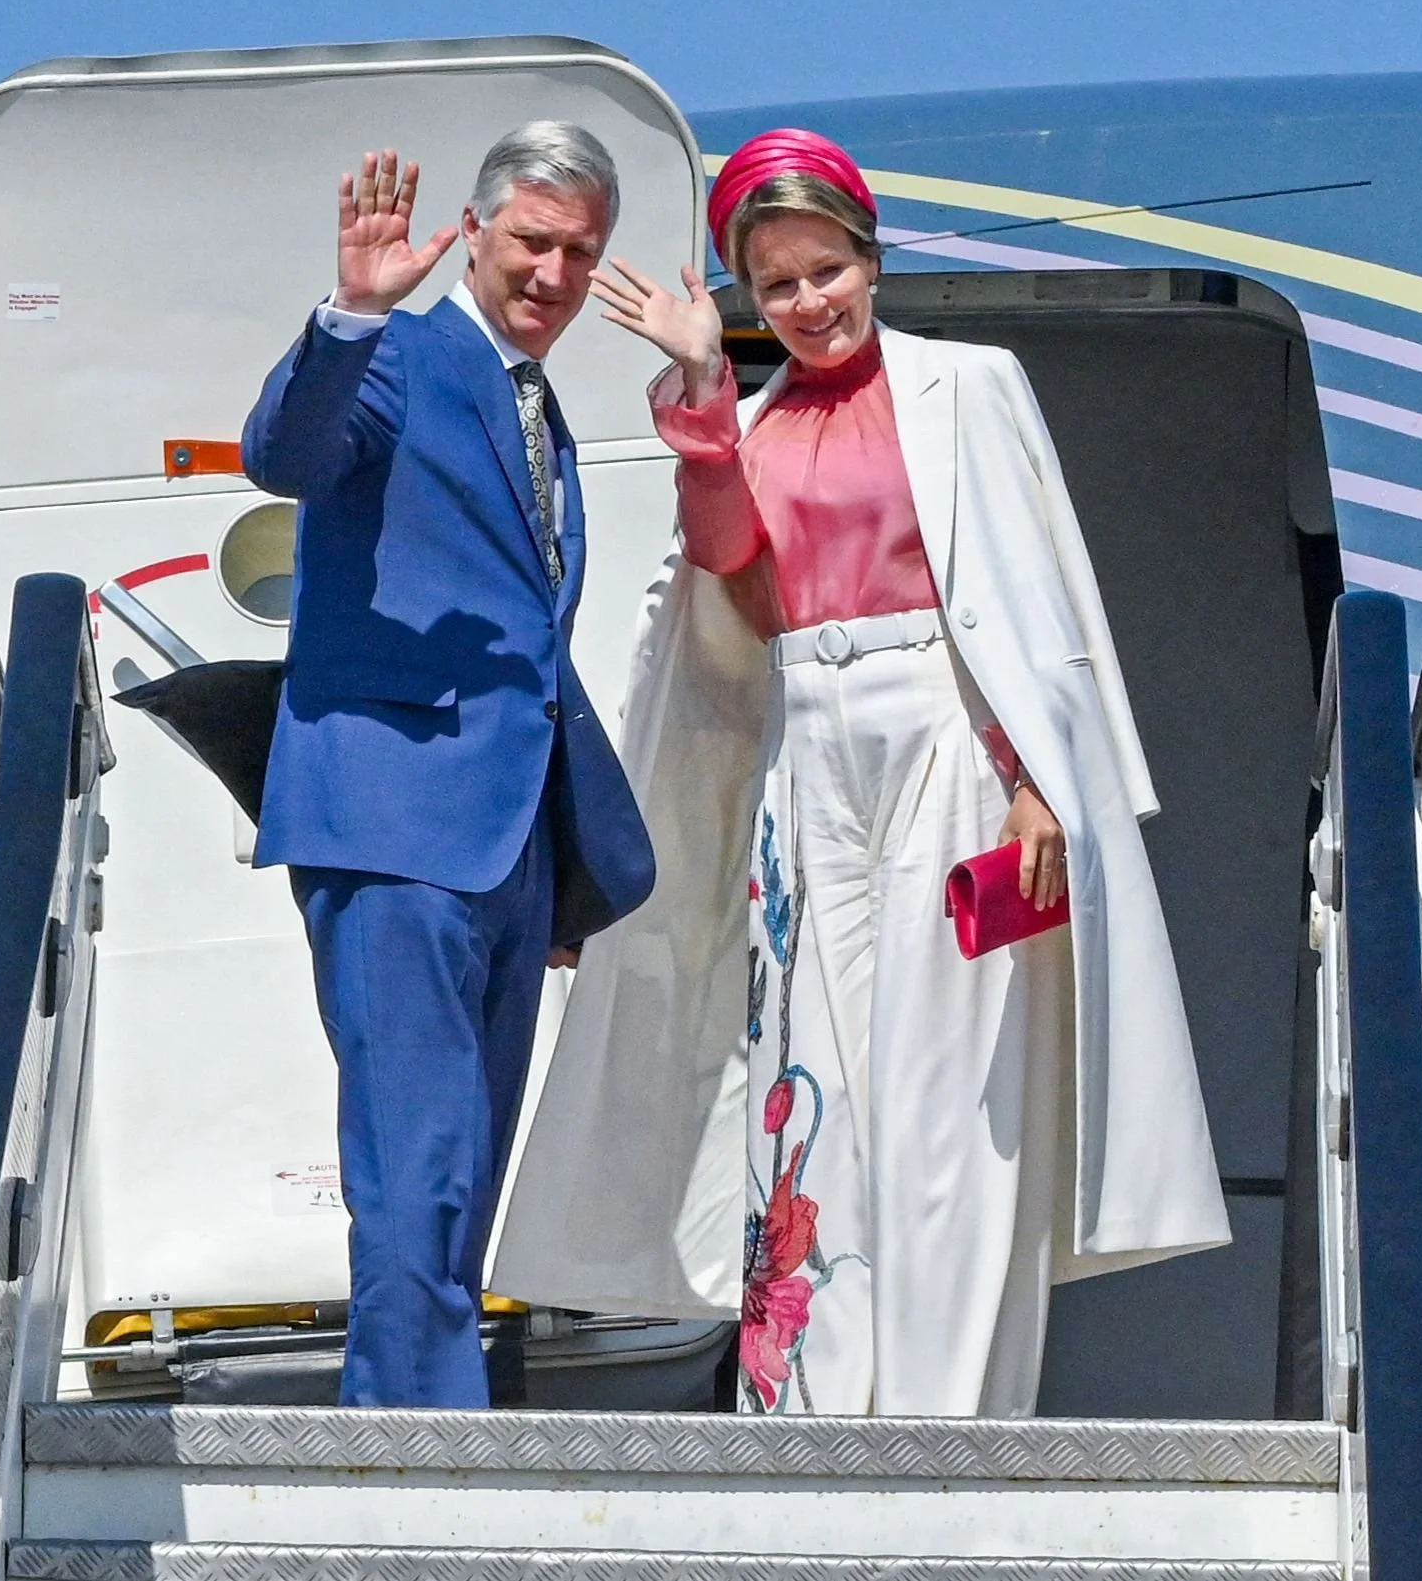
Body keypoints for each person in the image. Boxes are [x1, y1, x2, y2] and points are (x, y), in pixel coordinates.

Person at [491, 130, 1226, 1417]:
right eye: (776, 287)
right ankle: (821, 1409)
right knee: (810, 1079)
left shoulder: (970, 384)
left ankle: (949, 1416)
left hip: (945, 734)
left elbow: (1036, 600)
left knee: (952, 1091)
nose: (809, 304)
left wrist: (1042, 777)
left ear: (871, 258)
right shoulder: (753, 421)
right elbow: (731, 569)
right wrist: (703, 391)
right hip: (803, 746)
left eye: (826, 270)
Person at [241, 124, 656, 1408]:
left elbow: (525, 632)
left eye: (578, 252)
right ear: (473, 234)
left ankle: (423, 1427)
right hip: (390, 819)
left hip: (501, 843)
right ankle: (412, 1456)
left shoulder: (539, 404)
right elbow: (287, 456)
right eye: (533, 241)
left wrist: (558, 853)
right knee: (413, 1162)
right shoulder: (403, 357)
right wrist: (354, 310)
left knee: (463, 1168)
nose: (553, 273)